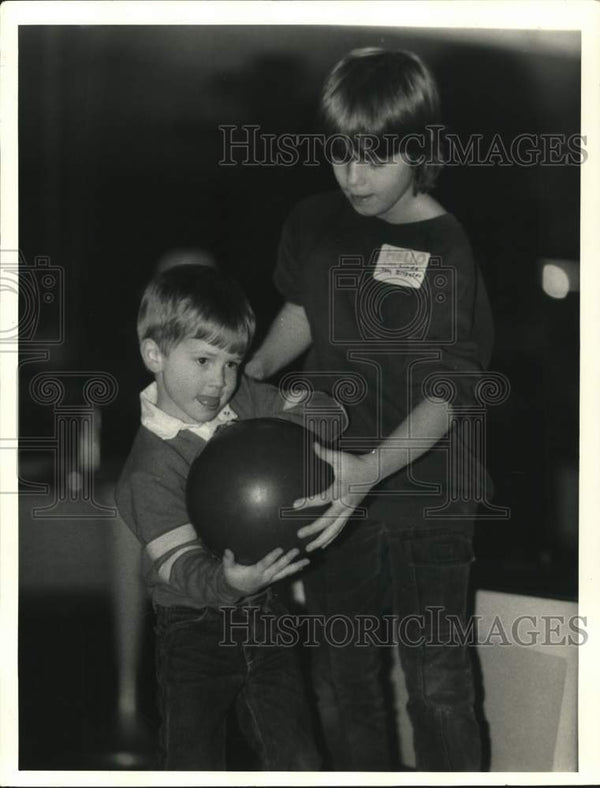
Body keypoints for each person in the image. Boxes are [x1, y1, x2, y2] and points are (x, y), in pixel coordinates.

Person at [245, 48, 494, 771]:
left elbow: (449, 392)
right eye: (341, 155)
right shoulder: (314, 220)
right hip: (328, 491)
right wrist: (255, 371)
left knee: (437, 687)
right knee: (343, 685)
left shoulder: (445, 246)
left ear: (421, 149)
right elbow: (304, 306)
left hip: (426, 499)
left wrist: (368, 474)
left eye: (376, 158)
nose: (353, 177)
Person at [115, 263, 344, 770]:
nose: (219, 382)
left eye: (232, 363)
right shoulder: (147, 471)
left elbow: (327, 416)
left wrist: (309, 410)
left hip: (265, 616)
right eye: (203, 360)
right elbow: (178, 564)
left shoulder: (242, 401)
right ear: (154, 354)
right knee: (194, 762)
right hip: (191, 630)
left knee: (299, 758)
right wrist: (227, 581)